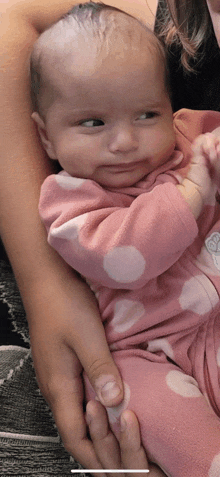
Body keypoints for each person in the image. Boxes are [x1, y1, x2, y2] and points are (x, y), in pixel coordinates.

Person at [0, 0, 220, 474]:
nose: (124, 142)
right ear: (47, 139)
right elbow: (125, 257)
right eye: (93, 123)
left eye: (146, 115)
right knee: (143, 414)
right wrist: (194, 191)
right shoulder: (66, 203)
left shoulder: (184, 138)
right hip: (145, 354)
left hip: (214, 328)